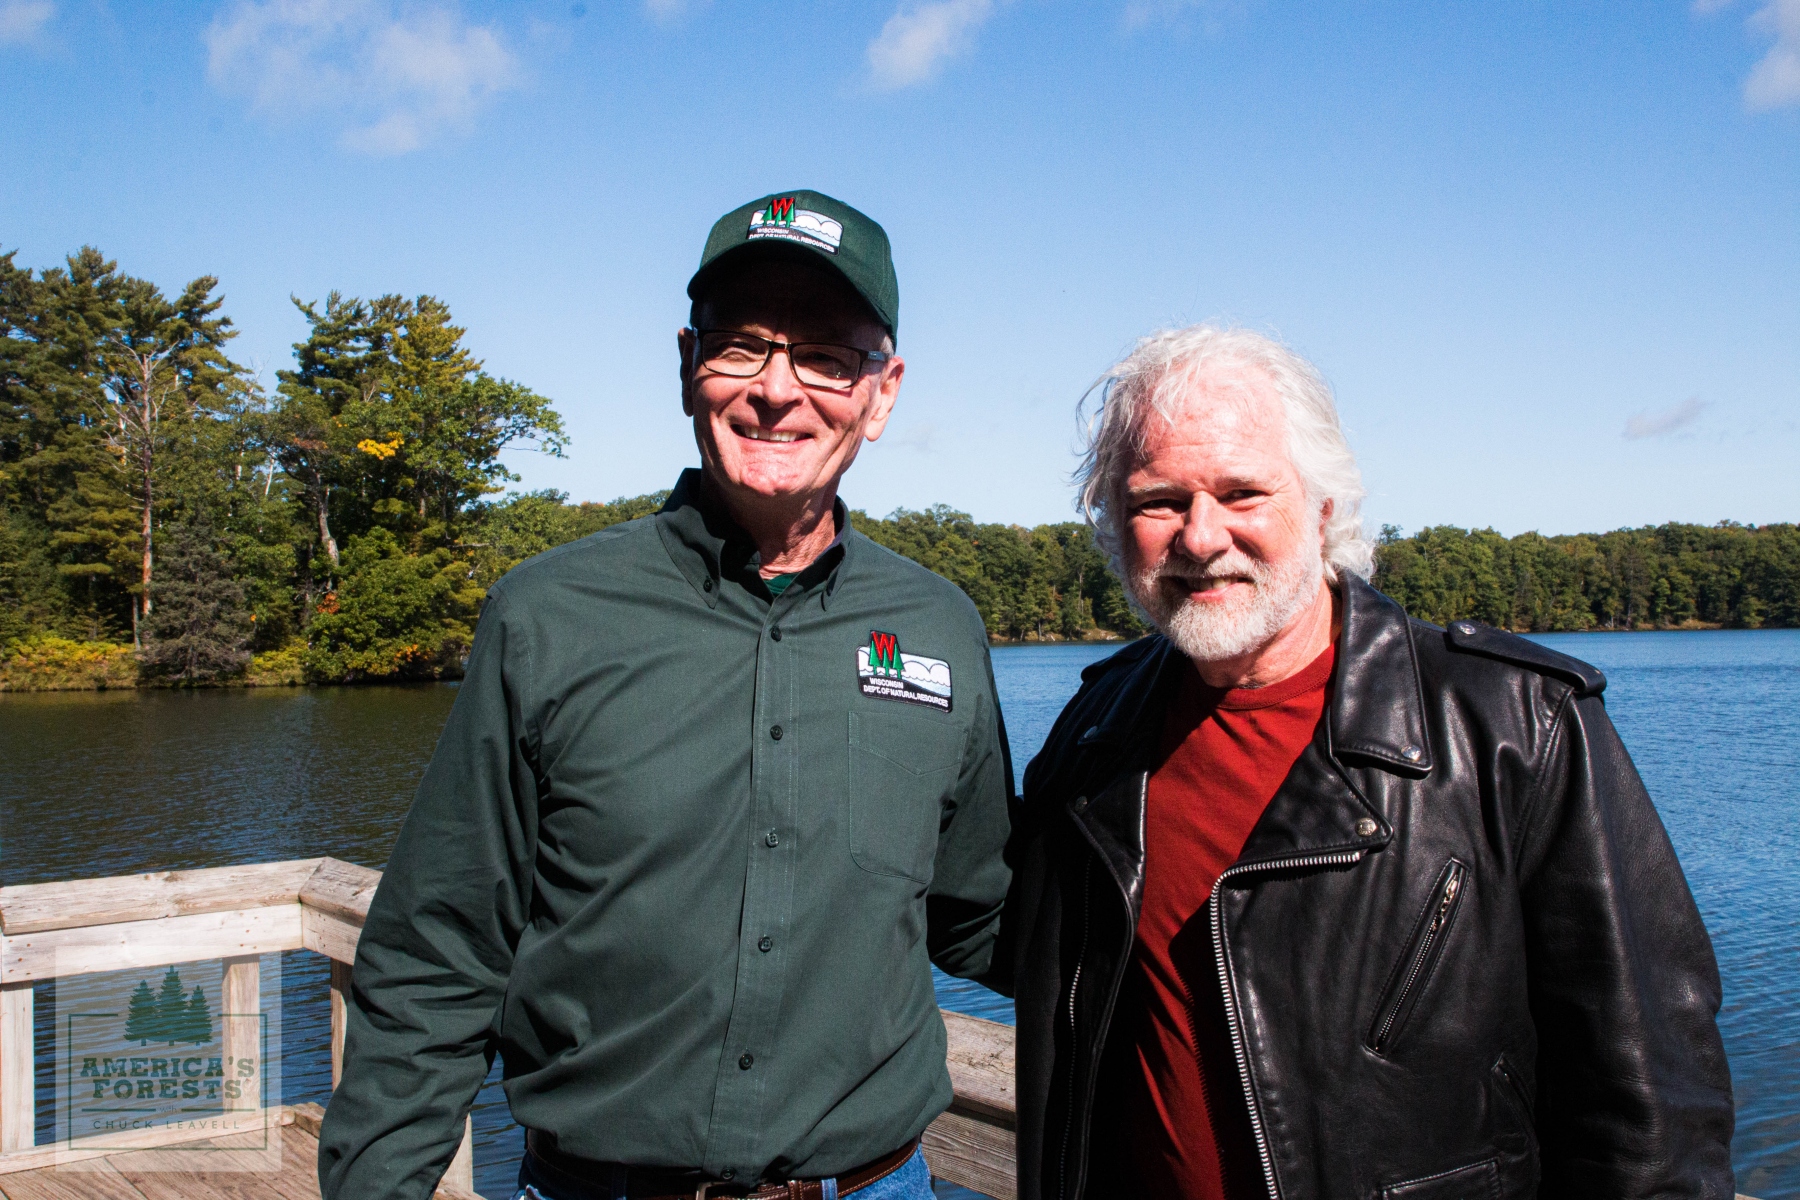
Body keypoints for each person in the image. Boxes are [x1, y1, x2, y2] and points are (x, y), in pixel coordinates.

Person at [318, 190, 1015, 1200]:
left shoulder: (940, 627)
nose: (777, 390)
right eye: (741, 347)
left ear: (883, 391)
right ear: (689, 363)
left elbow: (986, 913)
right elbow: (440, 951)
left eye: (826, 357)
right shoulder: (547, 616)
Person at [997, 325, 1735, 1199]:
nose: (1200, 537)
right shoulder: (1098, 729)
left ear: (1321, 508)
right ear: (1115, 523)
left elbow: (1652, 1102)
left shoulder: (1514, 728)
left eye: (1242, 492)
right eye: (1159, 500)